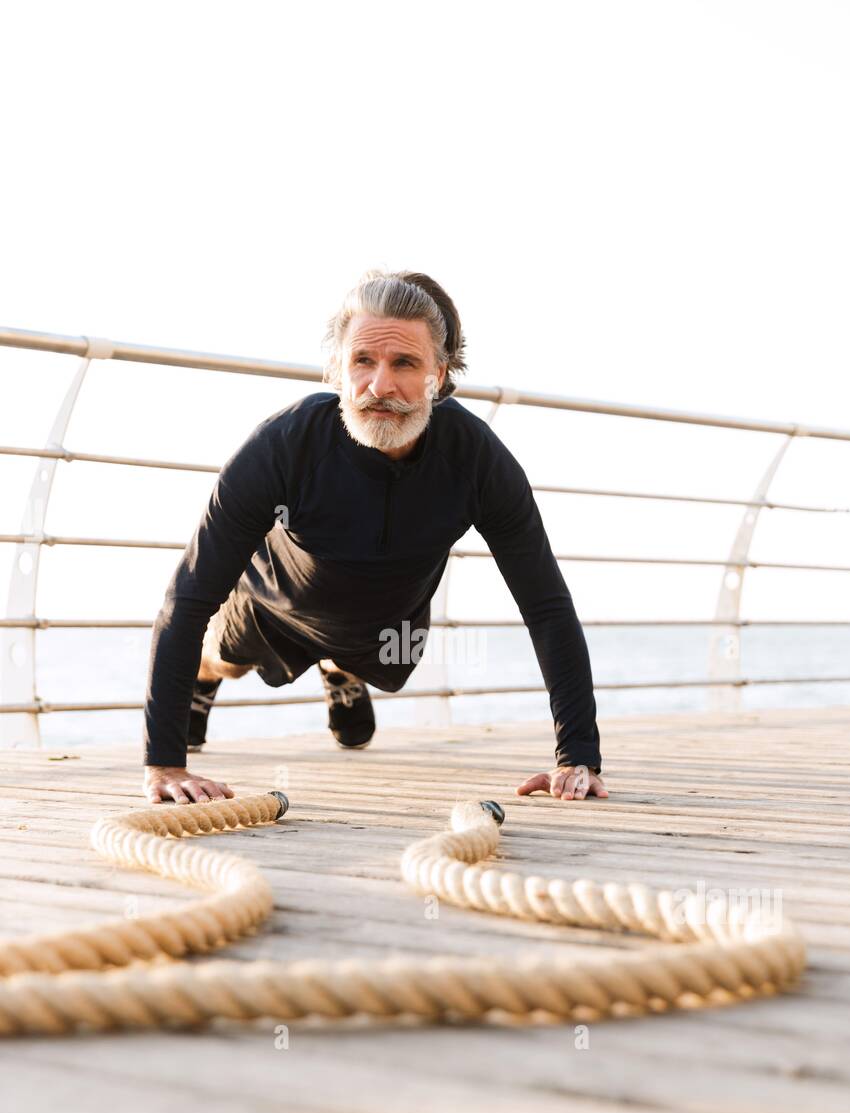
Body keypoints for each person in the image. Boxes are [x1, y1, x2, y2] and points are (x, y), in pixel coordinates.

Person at [142, 269, 608, 806]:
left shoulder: (475, 457)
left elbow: (545, 605)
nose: (380, 386)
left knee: (375, 679)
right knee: (224, 657)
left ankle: (340, 665)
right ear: (337, 368)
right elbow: (189, 596)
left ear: (440, 373)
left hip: (387, 622)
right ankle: (211, 677)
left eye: (405, 364)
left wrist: (577, 755)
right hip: (275, 602)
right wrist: (164, 763)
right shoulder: (282, 446)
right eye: (363, 361)